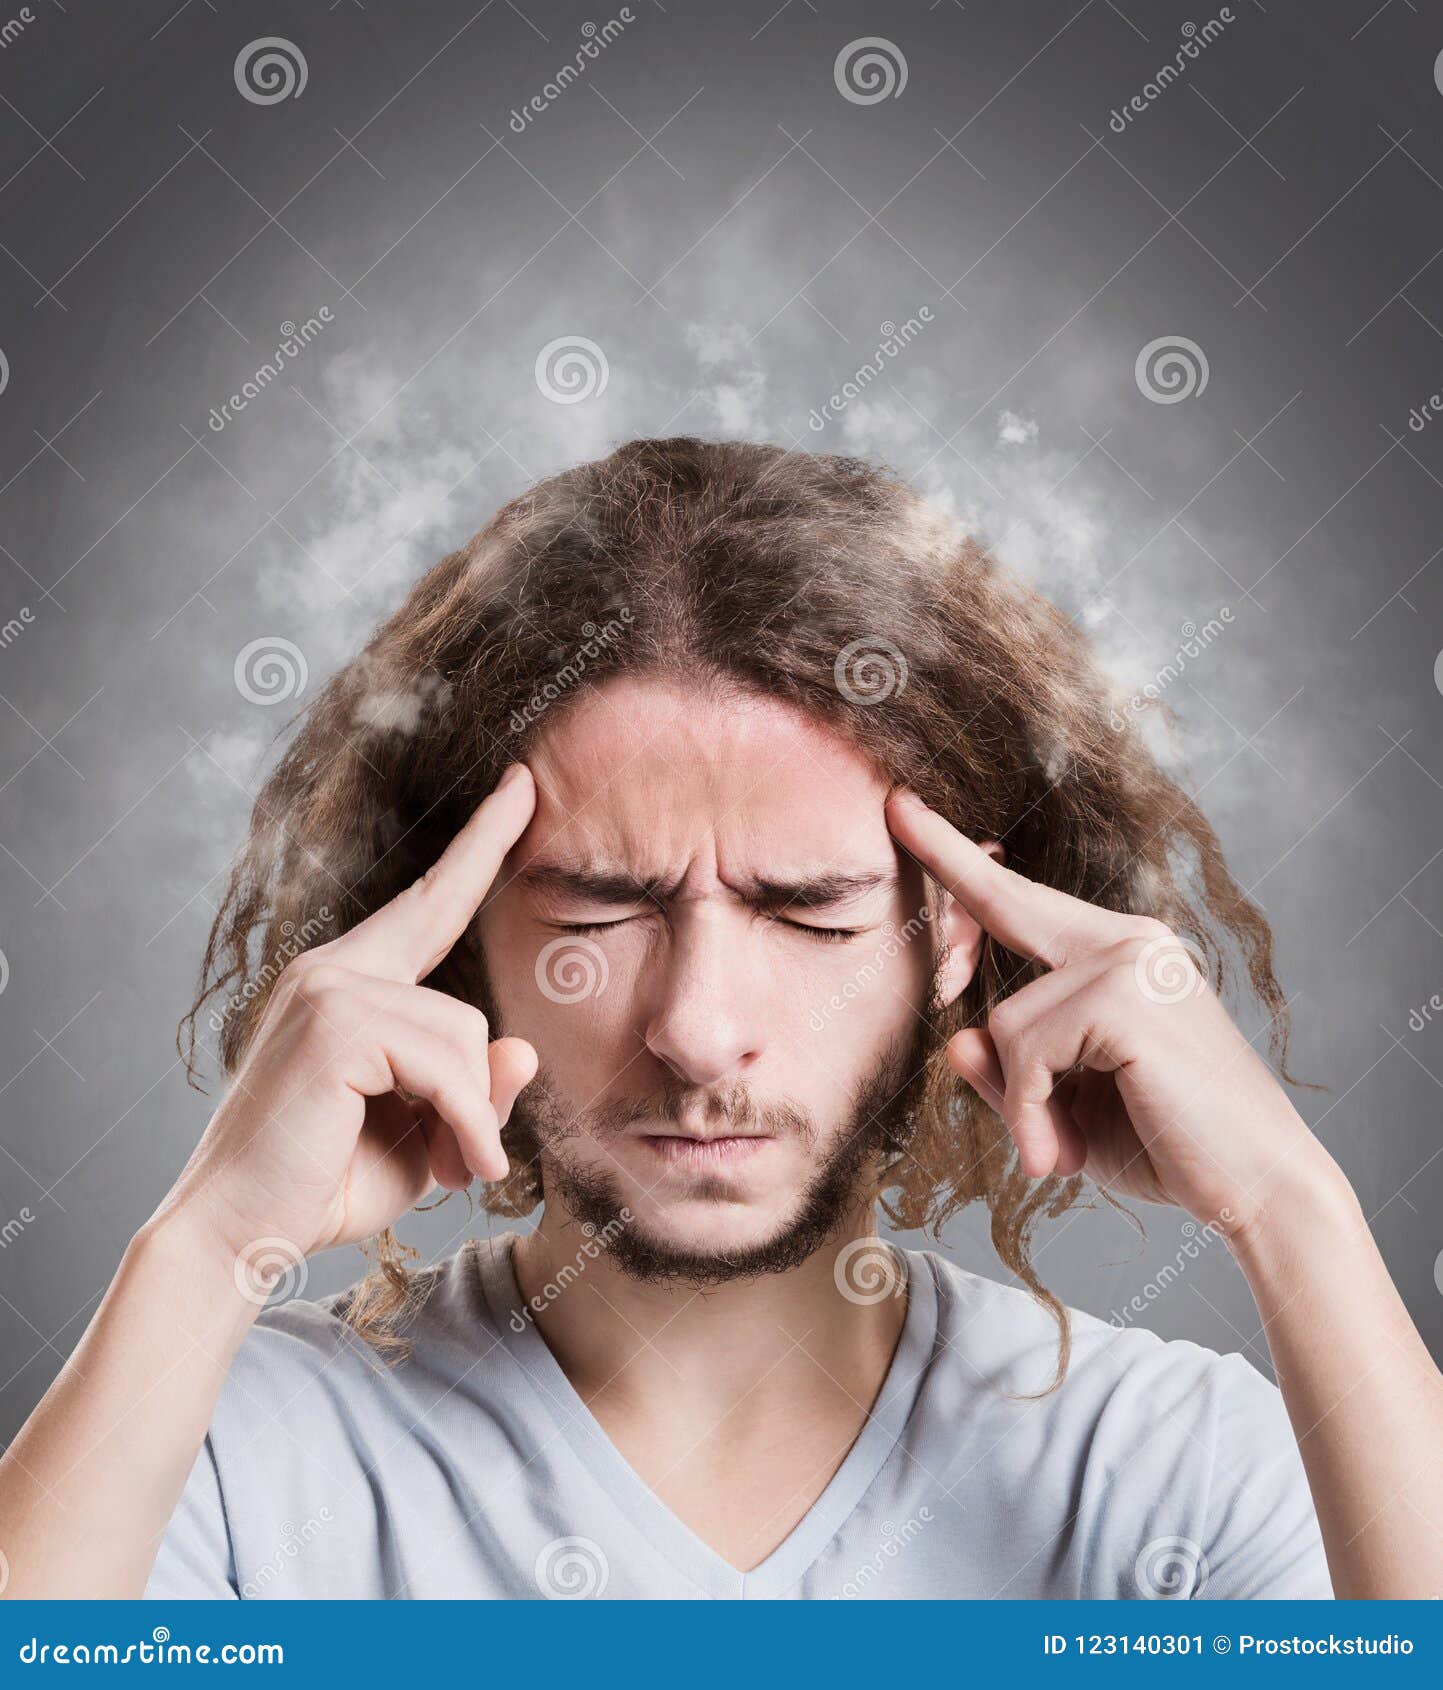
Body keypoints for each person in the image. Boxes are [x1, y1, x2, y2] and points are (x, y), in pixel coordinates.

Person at [1, 439, 1438, 1600]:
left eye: (809, 910)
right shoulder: (232, 1454)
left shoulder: (1174, 1469)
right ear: (456, 942)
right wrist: (198, 1248)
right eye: (598, 911)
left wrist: (1292, 1206)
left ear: (959, 935)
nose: (697, 1029)